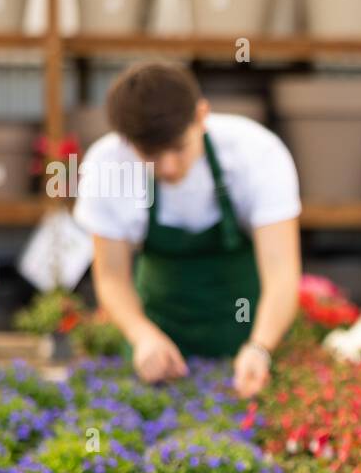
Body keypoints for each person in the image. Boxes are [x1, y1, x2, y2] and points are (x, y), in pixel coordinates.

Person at [72, 61, 301, 398]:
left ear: (201, 115)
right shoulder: (106, 166)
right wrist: (142, 335)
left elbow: (282, 272)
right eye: (150, 154)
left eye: (179, 148)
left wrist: (260, 347)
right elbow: (111, 276)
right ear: (125, 141)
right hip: (160, 346)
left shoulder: (257, 154)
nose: (168, 168)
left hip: (250, 335)